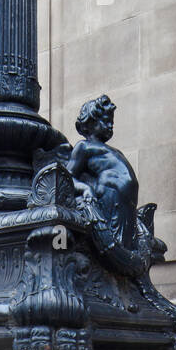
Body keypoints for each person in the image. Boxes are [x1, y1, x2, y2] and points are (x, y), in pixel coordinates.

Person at [66, 95, 139, 252]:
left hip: (126, 204)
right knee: (117, 243)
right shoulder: (83, 147)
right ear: (90, 123)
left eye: (111, 122)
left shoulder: (116, 151)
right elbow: (67, 177)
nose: (110, 125)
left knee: (124, 243)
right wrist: (85, 188)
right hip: (109, 198)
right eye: (105, 121)